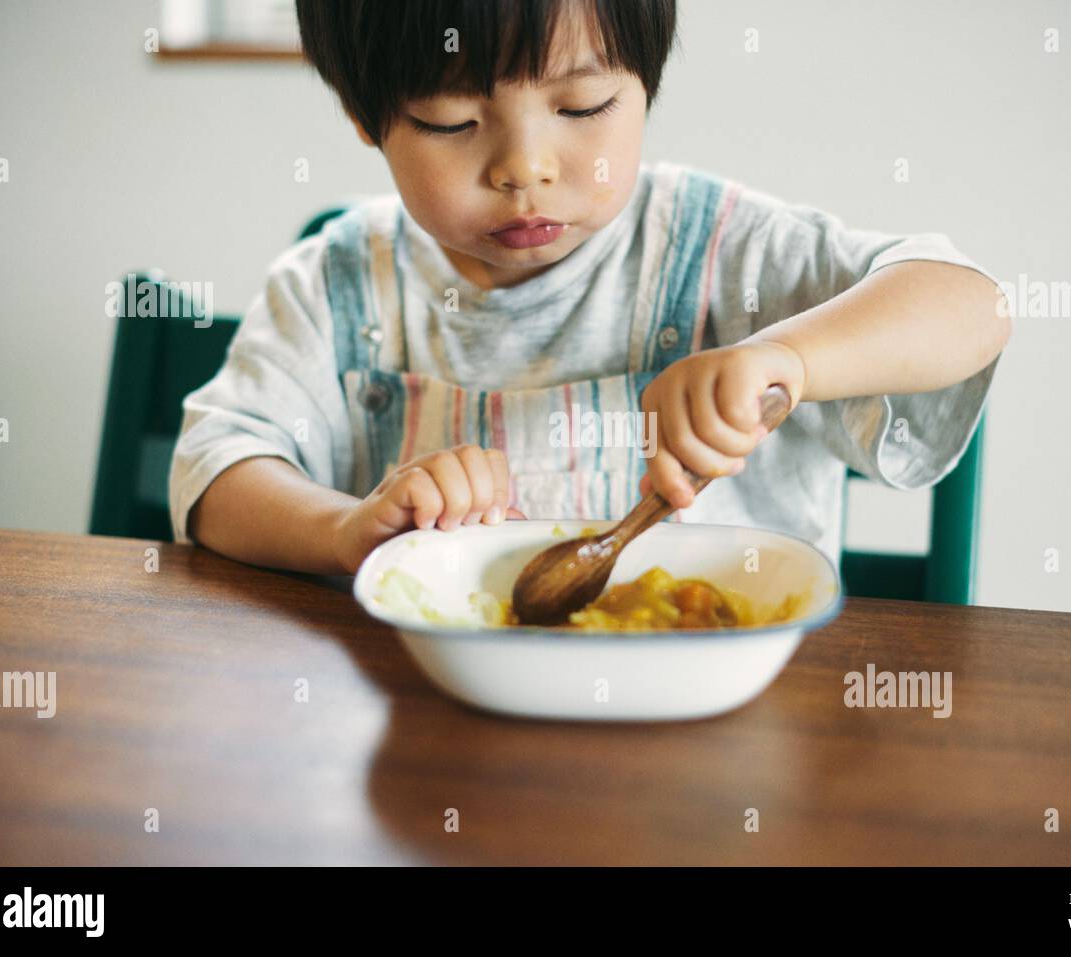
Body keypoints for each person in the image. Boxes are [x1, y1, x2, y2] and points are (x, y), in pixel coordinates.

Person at [169, 0, 1010, 576]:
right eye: (451, 123)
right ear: (365, 118)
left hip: (715, 752)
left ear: (645, 85)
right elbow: (216, 469)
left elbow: (972, 305)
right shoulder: (341, 281)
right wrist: (344, 531)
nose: (524, 169)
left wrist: (786, 357)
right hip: (431, 745)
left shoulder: (727, 255)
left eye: (583, 107)